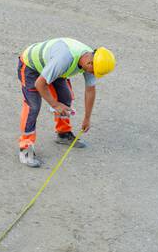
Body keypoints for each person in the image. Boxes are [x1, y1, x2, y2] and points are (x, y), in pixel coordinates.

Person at [16, 38, 116, 167]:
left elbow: (90, 90)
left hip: (52, 66)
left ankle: (63, 134)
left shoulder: (94, 60)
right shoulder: (64, 59)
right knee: (33, 106)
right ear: (90, 63)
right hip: (31, 66)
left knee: (65, 97)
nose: (92, 74)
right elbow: (40, 84)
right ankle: (25, 149)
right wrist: (55, 105)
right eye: (93, 71)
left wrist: (87, 118)